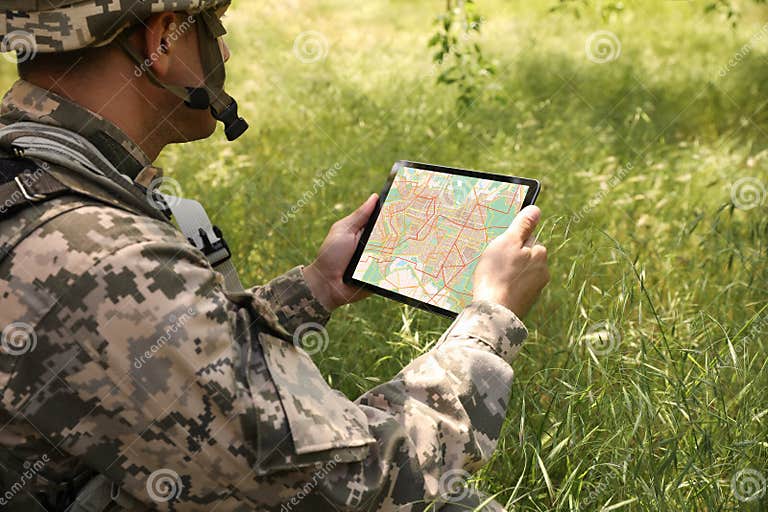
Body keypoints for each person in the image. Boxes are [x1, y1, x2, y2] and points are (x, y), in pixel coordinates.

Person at [0, 1, 550, 511]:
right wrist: (489, 321)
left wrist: (312, 289)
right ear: (163, 40)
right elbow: (351, 485)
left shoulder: (32, 181)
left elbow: (153, 354)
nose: (226, 50)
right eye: (213, 27)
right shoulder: (104, 259)